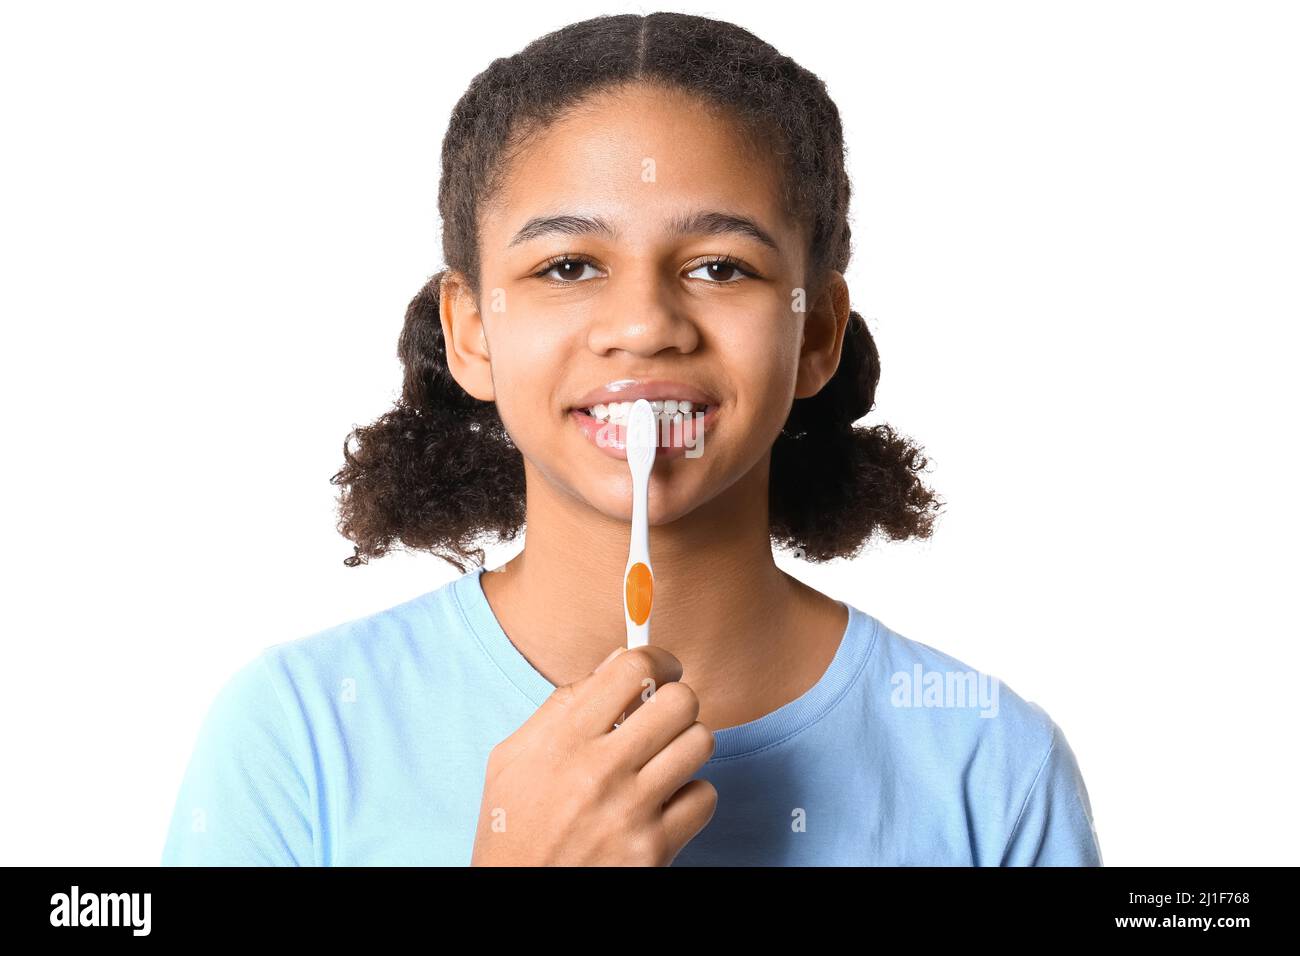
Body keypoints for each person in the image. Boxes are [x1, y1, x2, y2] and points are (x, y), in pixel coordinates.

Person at [161, 12, 1101, 866]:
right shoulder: (297, 735)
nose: (645, 323)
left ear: (816, 333)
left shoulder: (991, 767)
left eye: (720, 267)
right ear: (471, 333)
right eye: (568, 266)